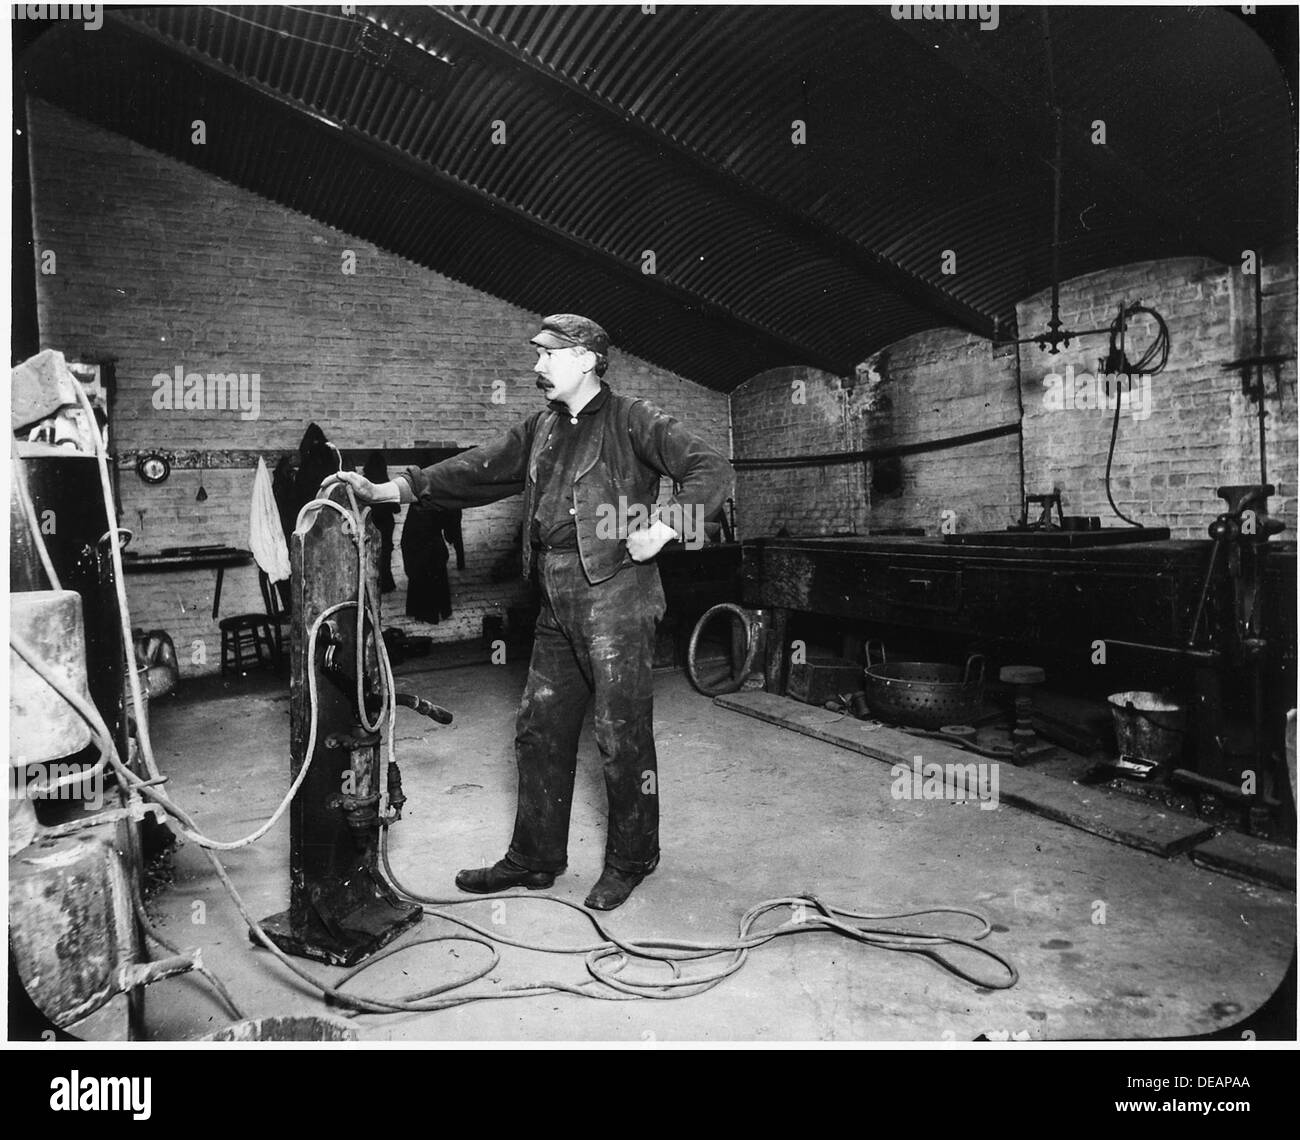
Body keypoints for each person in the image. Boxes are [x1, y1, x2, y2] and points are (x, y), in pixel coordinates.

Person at [322, 314, 733, 910]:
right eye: (536, 355)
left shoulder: (631, 419)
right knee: (540, 729)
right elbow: (480, 467)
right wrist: (395, 490)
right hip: (555, 591)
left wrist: (668, 526)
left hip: (617, 591)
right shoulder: (542, 427)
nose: (537, 366)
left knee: (620, 734)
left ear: (588, 360)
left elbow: (712, 467)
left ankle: (631, 858)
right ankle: (535, 857)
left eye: (548, 355)